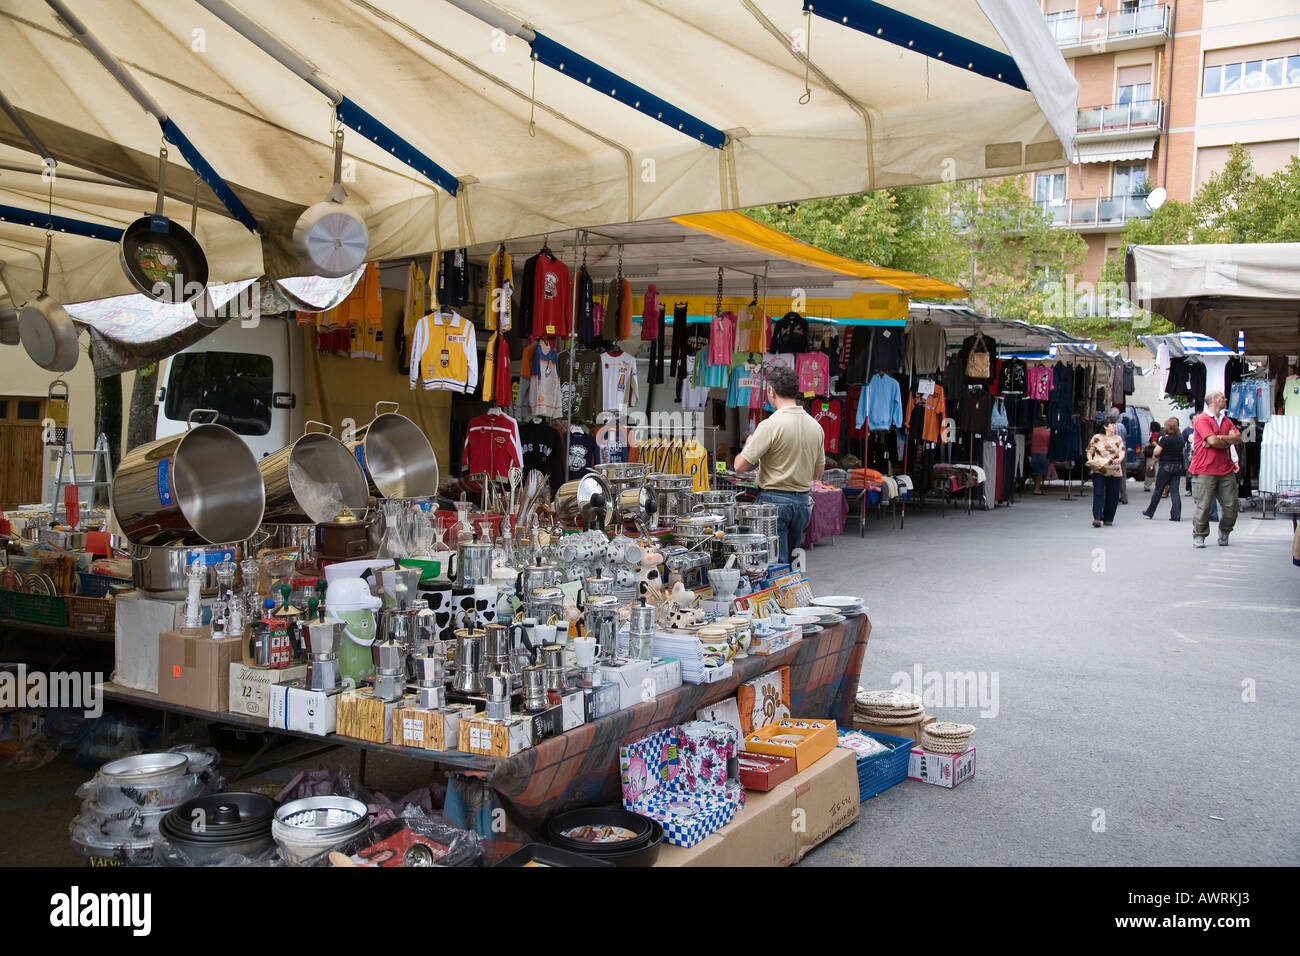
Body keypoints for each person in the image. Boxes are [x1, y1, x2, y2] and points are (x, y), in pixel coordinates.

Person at [733, 365, 825, 565]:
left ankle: (781, 593)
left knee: (774, 564)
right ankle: (794, 594)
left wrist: (749, 444)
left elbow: (739, 466)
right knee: (794, 562)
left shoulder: (770, 425)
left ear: (770, 391)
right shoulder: (816, 427)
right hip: (802, 503)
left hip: (774, 502)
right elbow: (818, 473)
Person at [1188, 390, 1241, 548]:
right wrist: (1225, 440)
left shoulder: (1226, 420)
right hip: (1204, 469)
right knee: (1203, 506)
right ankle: (1199, 535)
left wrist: (1221, 439)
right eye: (1221, 397)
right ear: (1213, 401)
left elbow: (1238, 438)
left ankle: (1225, 530)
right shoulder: (1202, 420)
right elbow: (1212, 440)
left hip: (1225, 469)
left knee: (1231, 506)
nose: (1225, 399)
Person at [1142, 418, 1185, 521]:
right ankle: (1176, 515)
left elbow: (1156, 452)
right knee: (1175, 491)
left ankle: (1150, 512)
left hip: (1165, 466)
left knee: (1158, 490)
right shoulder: (1181, 439)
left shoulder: (1165, 439)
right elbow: (1182, 452)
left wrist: (1160, 442)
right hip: (1177, 467)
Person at [1085, 420, 1125, 527]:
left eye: (1114, 425)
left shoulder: (1118, 438)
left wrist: (1119, 460)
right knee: (1099, 492)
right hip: (1099, 468)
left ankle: (1108, 518)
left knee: (1113, 495)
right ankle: (1097, 517)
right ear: (1106, 427)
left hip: (1114, 470)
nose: (1114, 427)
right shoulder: (1097, 437)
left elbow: (1122, 451)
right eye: (1112, 425)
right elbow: (1090, 451)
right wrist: (1090, 460)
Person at [1109, 409, 1129, 504]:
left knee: (1113, 474)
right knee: (1122, 474)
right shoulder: (1122, 426)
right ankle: (1124, 496)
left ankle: (1114, 496)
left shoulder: (1111, 427)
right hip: (1123, 451)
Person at [1029, 423, 1050, 495]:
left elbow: (1029, 439)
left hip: (1034, 452)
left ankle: (1036, 486)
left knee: (1035, 470)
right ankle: (1037, 489)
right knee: (1040, 472)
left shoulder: (1033, 431)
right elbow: (1048, 443)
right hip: (1043, 452)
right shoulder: (1047, 432)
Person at [1142, 423, 1160, 492]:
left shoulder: (1154, 434)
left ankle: (1147, 486)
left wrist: (1148, 444)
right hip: (1158, 454)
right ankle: (1157, 485)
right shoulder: (1159, 433)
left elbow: (1154, 443)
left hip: (1152, 454)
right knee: (1156, 471)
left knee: (1149, 470)